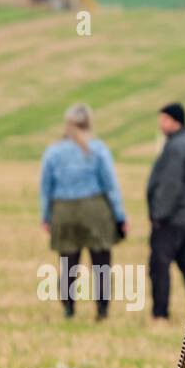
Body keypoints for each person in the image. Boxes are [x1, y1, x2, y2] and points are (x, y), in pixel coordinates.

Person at [39, 103, 126, 320]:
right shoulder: (97, 150)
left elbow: (45, 188)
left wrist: (46, 216)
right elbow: (110, 186)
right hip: (94, 210)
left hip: (63, 210)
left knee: (68, 263)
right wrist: (120, 216)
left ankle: (69, 309)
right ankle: (102, 311)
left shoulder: (53, 152)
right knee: (101, 264)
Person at [146, 103, 185, 320]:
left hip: (171, 220)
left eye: (164, 120)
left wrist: (159, 215)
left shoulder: (176, 147)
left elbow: (170, 186)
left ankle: (160, 313)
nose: (161, 124)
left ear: (174, 121)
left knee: (159, 268)